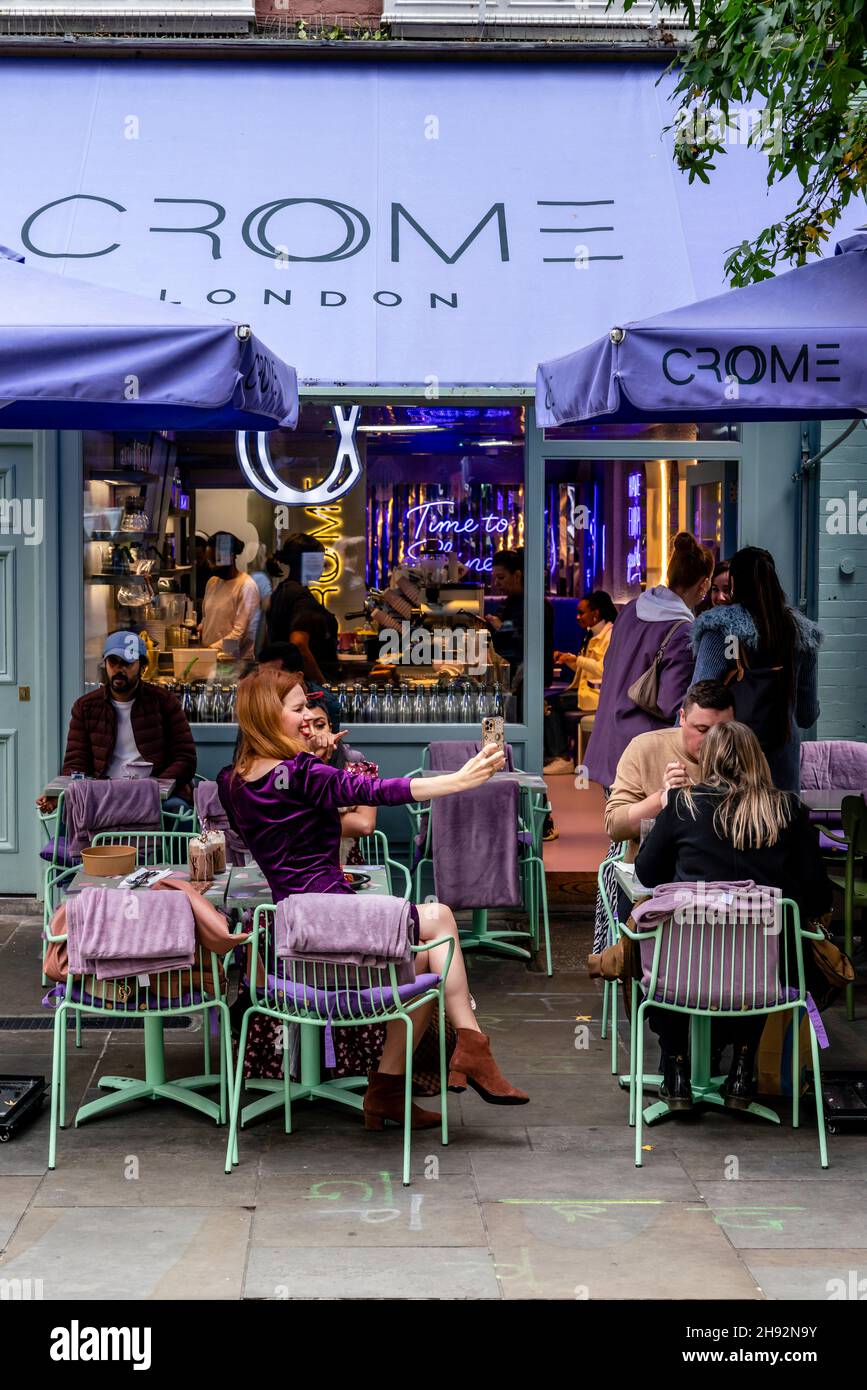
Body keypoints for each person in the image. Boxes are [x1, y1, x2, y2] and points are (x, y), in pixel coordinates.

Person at [217, 669, 529, 1128]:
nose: (308, 718)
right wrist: (460, 781)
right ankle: (473, 1046)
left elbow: (277, 820)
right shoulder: (301, 772)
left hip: (293, 951)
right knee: (440, 920)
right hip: (339, 938)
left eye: (309, 708)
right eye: (298, 708)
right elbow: (379, 790)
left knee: (429, 968)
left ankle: (386, 1093)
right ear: (266, 713)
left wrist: (312, 763)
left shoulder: (231, 782)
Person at [635, 720, 832, 1110]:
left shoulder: (681, 805)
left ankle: (675, 1070)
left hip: (682, 977)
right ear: (759, 760)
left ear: (706, 759)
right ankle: (743, 1069)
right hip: (763, 983)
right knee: (759, 953)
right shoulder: (788, 810)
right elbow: (817, 894)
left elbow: (646, 874)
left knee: (657, 944)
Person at [592, 680, 735, 954]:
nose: (710, 741)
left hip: (726, 887)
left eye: (722, 731)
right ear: (681, 718)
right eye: (701, 729)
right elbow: (615, 824)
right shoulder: (646, 748)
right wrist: (662, 799)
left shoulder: (742, 753)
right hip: (653, 886)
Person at [586, 532, 714, 792]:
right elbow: (671, 704)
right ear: (703, 584)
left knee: (617, 826)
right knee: (642, 831)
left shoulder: (631, 609)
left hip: (606, 740)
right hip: (642, 751)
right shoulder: (683, 631)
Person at [690, 546, 822, 792]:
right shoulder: (802, 634)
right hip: (783, 763)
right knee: (778, 827)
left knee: (731, 826)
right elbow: (807, 715)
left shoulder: (720, 629)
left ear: (735, 584)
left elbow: (698, 696)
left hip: (730, 756)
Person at [36, 630, 197, 815]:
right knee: (70, 810)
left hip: (153, 793)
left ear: (142, 666)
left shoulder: (165, 702)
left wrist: (154, 787)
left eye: (127, 663)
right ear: (105, 664)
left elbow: (185, 759)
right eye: (113, 662)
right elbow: (76, 762)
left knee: (177, 810)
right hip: (103, 792)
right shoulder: (86, 707)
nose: (119, 669)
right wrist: (59, 794)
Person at [544, 590, 617, 774]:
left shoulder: (611, 636)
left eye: (582, 612)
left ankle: (562, 757)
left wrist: (576, 660)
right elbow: (586, 669)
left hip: (599, 695)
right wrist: (570, 660)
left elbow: (603, 669)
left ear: (596, 613)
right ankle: (556, 754)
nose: (578, 617)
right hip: (586, 691)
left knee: (549, 703)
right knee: (548, 702)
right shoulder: (590, 635)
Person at [489, 547, 555, 719]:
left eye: (501, 577)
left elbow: (530, 643)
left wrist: (501, 628)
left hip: (530, 683)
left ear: (517, 576)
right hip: (512, 681)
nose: (496, 583)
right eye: (494, 578)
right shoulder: (510, 603)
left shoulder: (537, 605)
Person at [268, 533, 339, 684]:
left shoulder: (282, 590)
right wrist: (323, 685)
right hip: (305, 685)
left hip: (285, 680)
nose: (323, 565)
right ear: (307, 561)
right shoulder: (301, 597)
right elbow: (299, 643)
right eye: (319, 559)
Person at [199, 532, 261, 662]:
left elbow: (239, 635)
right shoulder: (212, 582)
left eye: (216, 561)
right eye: (209, 560)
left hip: (235, 663)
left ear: (231, 556)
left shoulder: (246, 586)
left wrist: (211, 650)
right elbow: (207, 619)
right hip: (212, 659)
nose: (211, 566)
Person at [193, 533, 213, 621]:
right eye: (192, 558)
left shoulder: (213, 573)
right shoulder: (185, 572)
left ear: (206, 554)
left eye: (199, 557)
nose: (195, 562)